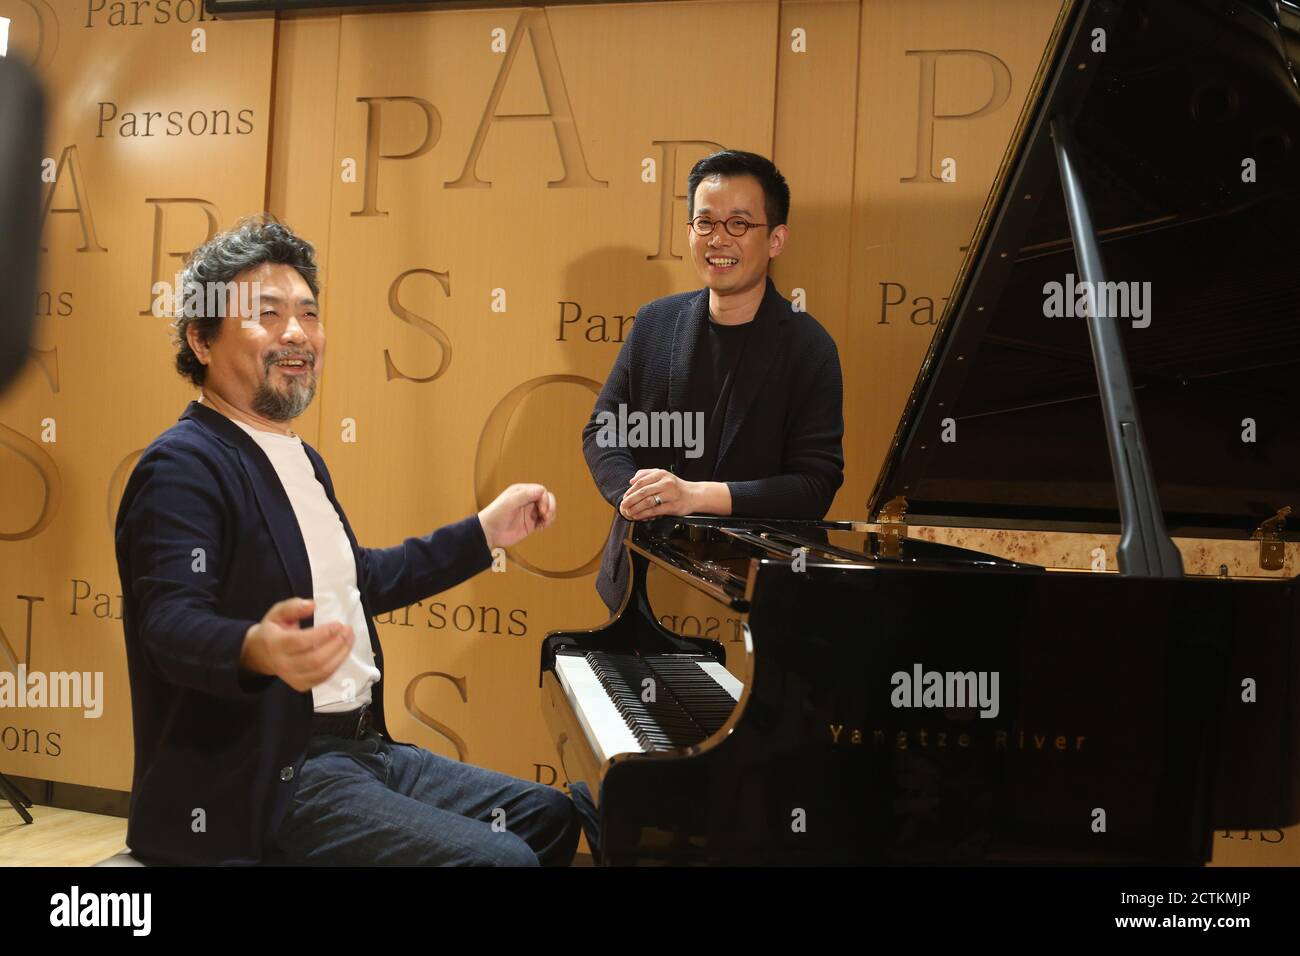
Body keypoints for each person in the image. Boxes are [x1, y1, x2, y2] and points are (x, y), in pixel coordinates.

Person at [115, 215, 580, 865]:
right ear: (201, 338)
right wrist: (254, 647)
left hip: (363, 750)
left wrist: (484, 534)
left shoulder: (299, 459)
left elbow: (364, 581)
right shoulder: (182, 467)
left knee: (548, 815)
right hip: (269, 773)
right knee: (499, 861)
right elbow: (168, 624)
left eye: (308, 312)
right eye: (267, 314)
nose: (297, 332)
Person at [583, 150, 845, 612]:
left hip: (747, 593)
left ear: (776, 239)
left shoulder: (809, 346)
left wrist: (692, 496)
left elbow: (814, 486)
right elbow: (604, 431)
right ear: (690, 233)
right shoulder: (654, 323)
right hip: (638, 578)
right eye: (705, 223)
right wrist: (633, 494)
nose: (718, 239)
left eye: (739, 224)